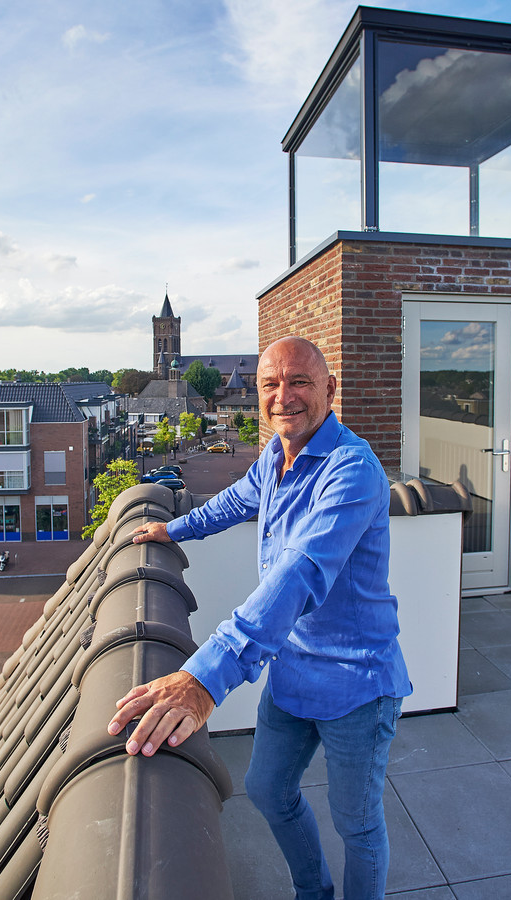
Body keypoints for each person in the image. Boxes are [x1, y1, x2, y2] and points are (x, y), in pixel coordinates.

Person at [108, 336, 410, 900]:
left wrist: (204, 679)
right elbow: (233, 502)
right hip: (292, 669)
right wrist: (173, 529)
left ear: (329, 390)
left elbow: (299, 573)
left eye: (299, 382)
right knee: (268, 790)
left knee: (358, 824)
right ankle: (314, 893)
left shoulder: (353, 470)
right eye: (271, 384)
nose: (283, 396)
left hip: (356, 684)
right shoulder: (273, 459)